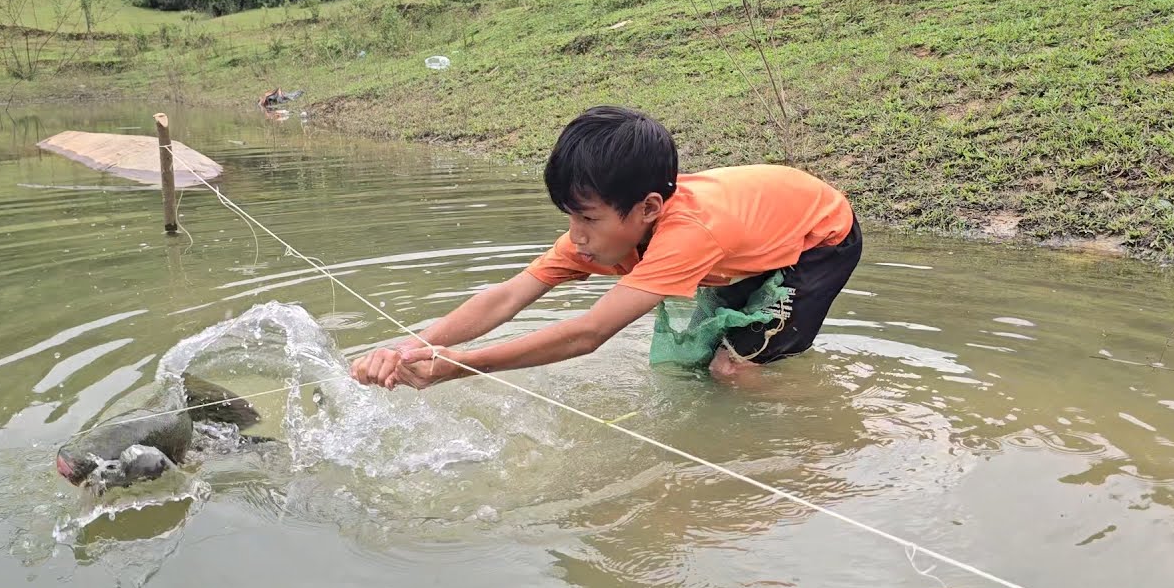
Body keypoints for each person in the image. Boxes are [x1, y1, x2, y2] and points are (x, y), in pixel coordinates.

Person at [350, 105, 861, 389]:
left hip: (818, 241)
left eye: (588, 218)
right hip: (748, 244)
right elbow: (509, 296)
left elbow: (589, 333)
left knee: (732, 370)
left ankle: (802, 430)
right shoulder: (601, 231)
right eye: (571, 216)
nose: (576, 236)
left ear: (648, 209)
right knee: (693, 366)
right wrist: (412, 346)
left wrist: (464, 365)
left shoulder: (688, 237)